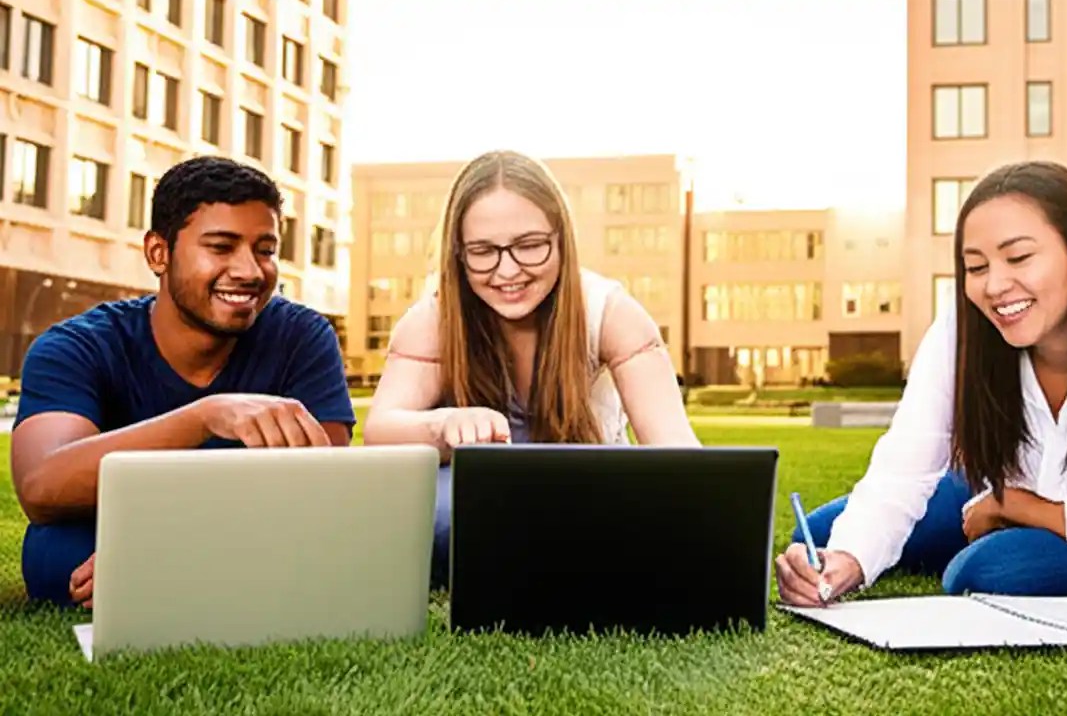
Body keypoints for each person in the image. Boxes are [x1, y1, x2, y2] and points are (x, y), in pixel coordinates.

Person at [777, 161, 1067, 606]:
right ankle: (990, 531)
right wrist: (849, 560)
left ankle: (1004, 533)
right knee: (817, 540)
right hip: (989, 490)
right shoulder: (964, 329)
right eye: (976, 266)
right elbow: (904, 467)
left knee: (983, 571)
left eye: (1019, 257)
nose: (994, 286)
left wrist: (1017, 506)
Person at [11, 156, 355, 609]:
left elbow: (325, 487)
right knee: (58, 554)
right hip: (120, 531)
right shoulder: (76, 347)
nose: (250, 271)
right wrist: (205, 418)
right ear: (159, 253)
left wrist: (180, 547)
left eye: (265, 250)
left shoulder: (302, 337)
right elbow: (41, 486)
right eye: (221, 247)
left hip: (247, 532)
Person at [362, 150, 699, 587]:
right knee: (437, 519)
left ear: (561, 239)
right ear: (458, 255)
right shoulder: (433, 319)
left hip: (590, 492)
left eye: (530, 246)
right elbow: (382, 429)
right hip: (473, 496)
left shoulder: (611, 314)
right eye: (483, 251)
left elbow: (678, 451)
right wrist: (445, 424)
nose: (508, 271)